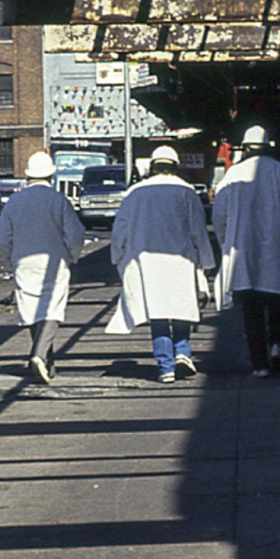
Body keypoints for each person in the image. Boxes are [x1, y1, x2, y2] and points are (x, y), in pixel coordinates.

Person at [211, 125, 280, 377]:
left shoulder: (232, 176)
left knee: (252, 310)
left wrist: (226, 243)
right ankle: (276, 347)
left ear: (246, 148)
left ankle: (260, 364)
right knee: (278, 304)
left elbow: (220, 217)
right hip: (278, 252)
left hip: (243, 255)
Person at [105, 146, 215, 383]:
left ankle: (165, 366)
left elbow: (120, 230)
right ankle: (183, 353)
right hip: (181, 258)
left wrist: (118, 257)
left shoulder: (134, 192)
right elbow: (198, 230)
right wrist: (207, 261)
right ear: (176, 166)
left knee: (158, 313)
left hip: (147, 262)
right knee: (181, 307)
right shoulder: (186, 191)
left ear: (152, 167)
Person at [0, 150, 86, 384]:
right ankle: (38, 356)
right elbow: (75, 234)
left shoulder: (15, 201)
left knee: (33, 310)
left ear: (27, 176)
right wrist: (72, 256)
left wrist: (8, 261)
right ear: (52, 175)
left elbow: (2, 236)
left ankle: (47, 363)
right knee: (52, 310)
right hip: (54, 261)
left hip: (24, 261)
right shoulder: (59, 200)